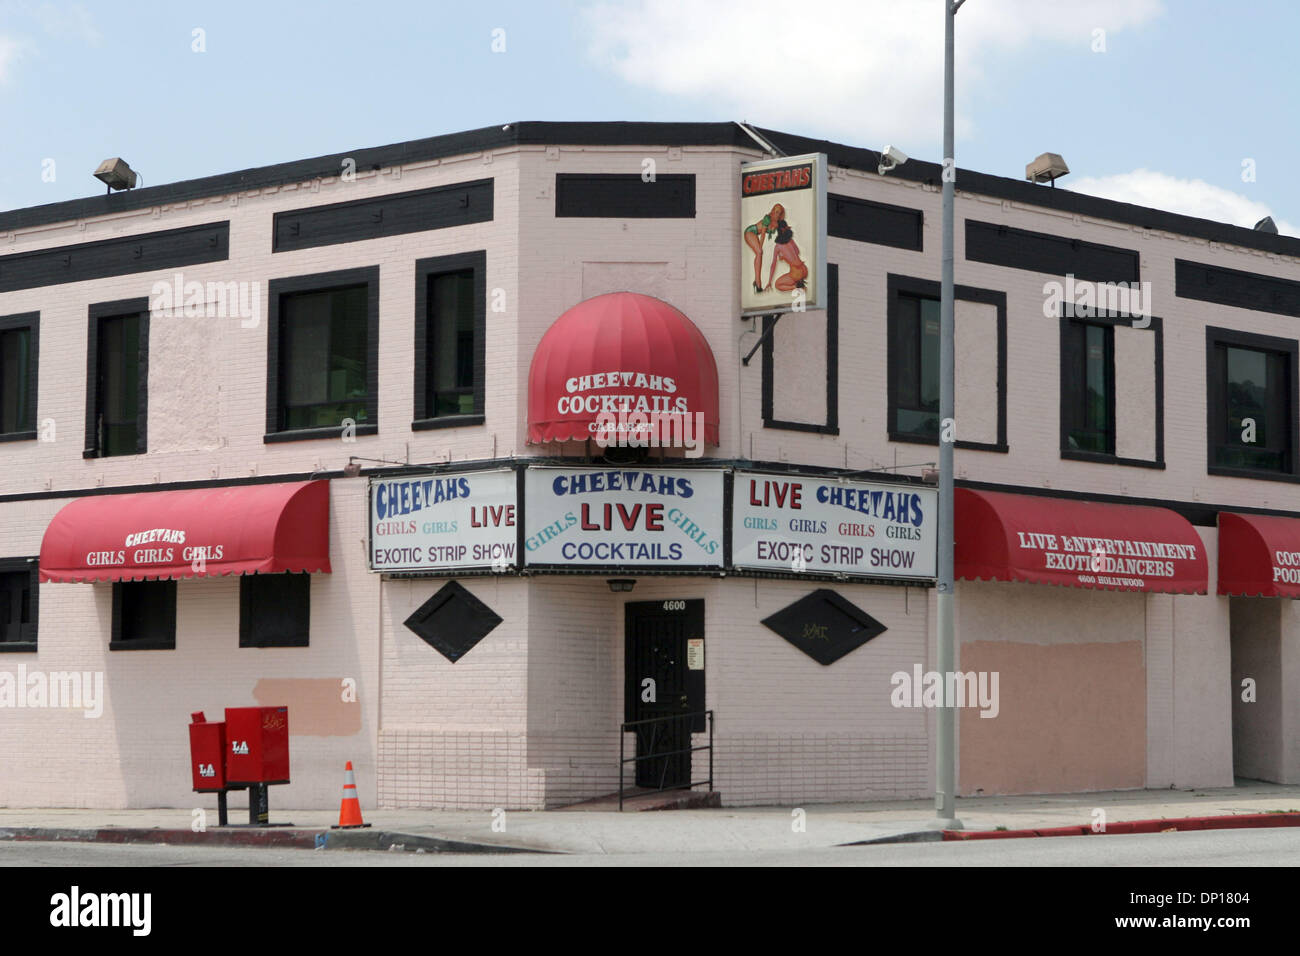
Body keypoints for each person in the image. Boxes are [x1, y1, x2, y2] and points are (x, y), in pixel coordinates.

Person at [742, 203, 784, 294]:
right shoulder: (767, 218)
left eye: (779, 213)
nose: (777, 214)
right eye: (776, 211)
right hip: (750, 231)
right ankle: (758, 283)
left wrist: (780, 252)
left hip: (755, 234)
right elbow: (763, 234)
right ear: (772, 211)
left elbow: (780, 237)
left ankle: (756, 282)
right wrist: (760, 248)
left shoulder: (777, 224)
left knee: (759, 253)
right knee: (759, 252)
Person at [766, 218, 808, 292]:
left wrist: (769, 282)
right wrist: (786, 257)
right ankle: (799, 283)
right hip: (804, 270)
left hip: (796, 274)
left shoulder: (778, 247)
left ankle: (797, 288)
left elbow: (773, 265)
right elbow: (797, 252)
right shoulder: (790, 240)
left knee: (777, 284)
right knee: (793, 273)